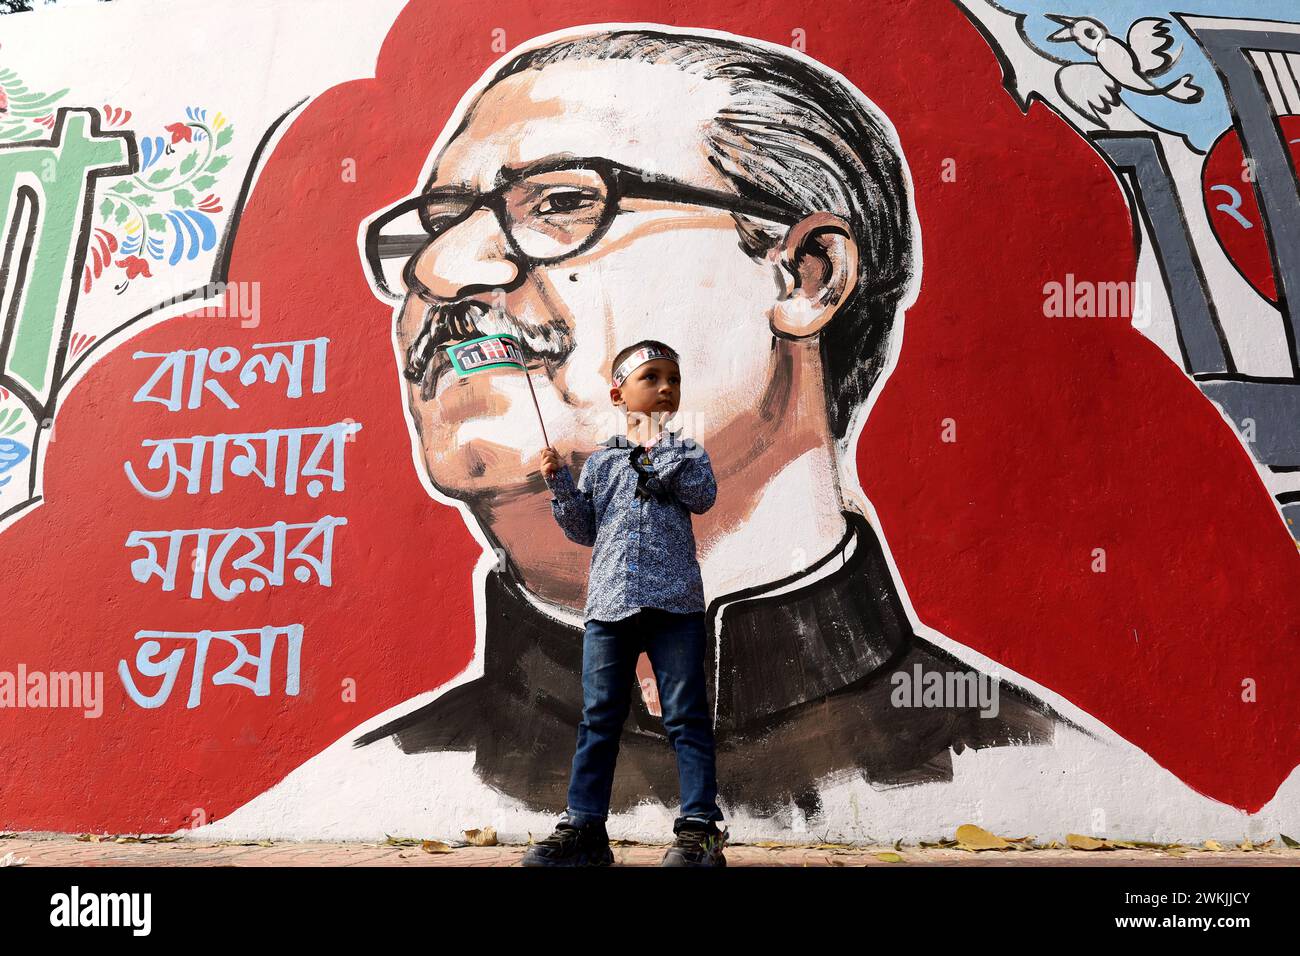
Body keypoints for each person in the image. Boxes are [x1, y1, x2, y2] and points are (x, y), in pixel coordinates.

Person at [521, 339, 728, 867]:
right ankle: (586, 830)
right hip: (610, 606)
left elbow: (702, 496)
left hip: (675, 605)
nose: (665, 388)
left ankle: (701, 829)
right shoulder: (602, 462)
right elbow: (584, 530)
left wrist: (659, 449)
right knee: (599, 718)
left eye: (673, 381)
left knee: (685, 716)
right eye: (651, 378)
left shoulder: (687, 450)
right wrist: (559, 483)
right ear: (619, 394)